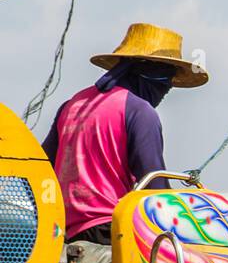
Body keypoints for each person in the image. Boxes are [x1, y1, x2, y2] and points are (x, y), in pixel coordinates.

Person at [41, 23, 208, 246]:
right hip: (110, 230)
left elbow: (43, 167)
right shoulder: (139, 112)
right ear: (150, 73)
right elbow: (154, 186)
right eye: (165, 82)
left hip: (61, 233)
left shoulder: (71, 105)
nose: (165, 91)